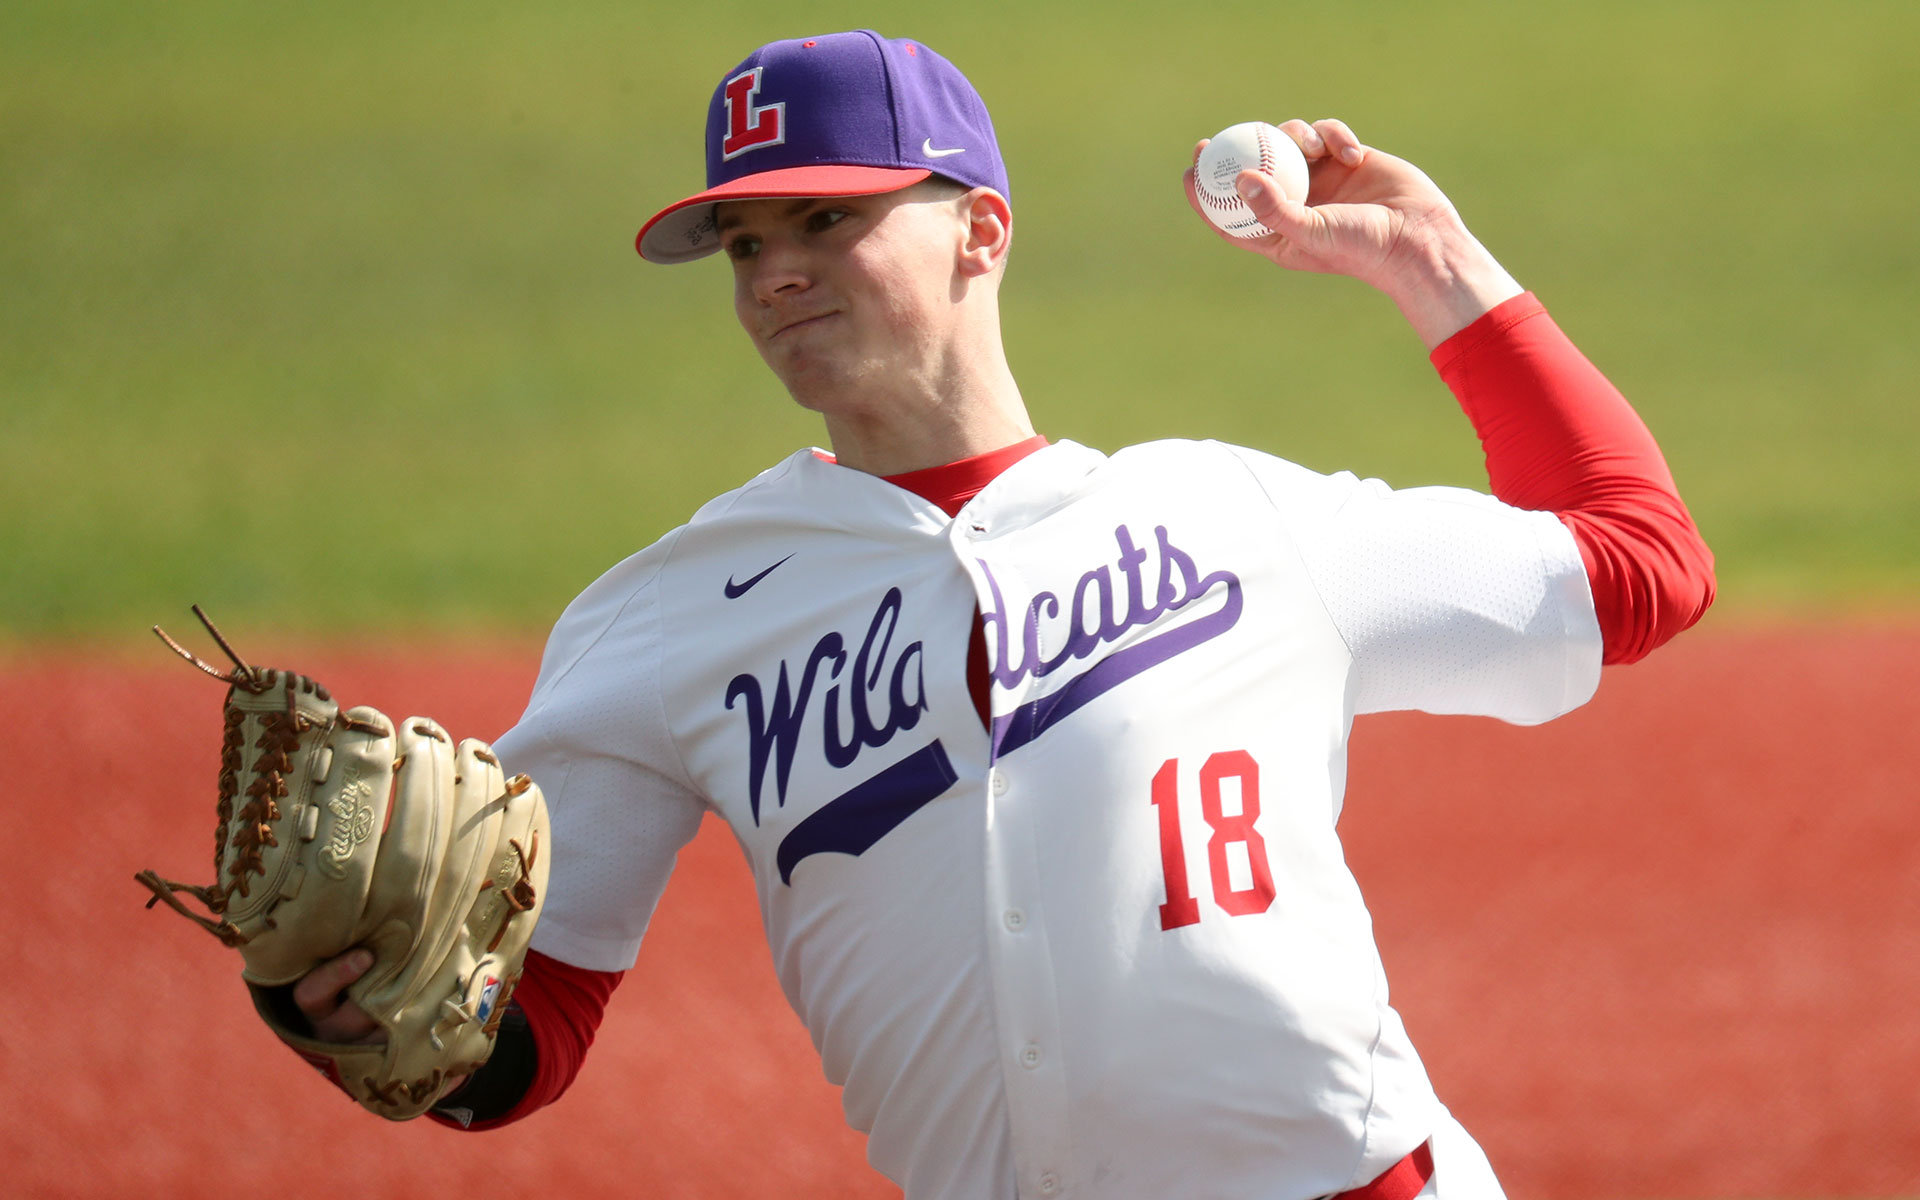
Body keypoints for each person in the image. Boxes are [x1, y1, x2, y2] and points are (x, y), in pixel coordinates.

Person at [287, 29, 1713, 1199]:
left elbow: (1640, 565)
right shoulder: (664, 621)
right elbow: (529, 1033)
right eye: (743, 241)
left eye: (830, 219)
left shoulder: (1235, 519)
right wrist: (344, 1011)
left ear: (982, 230)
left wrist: (1436, 268)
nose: (776, 269)